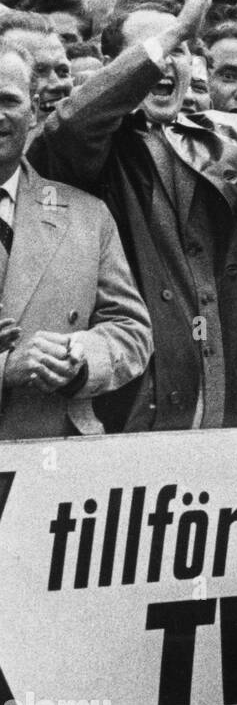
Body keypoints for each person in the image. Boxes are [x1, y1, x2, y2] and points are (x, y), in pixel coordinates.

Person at [30, 0, 237, 431]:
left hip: (230, 409)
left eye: (184, 49)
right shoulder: (89, 145)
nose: (169, 61)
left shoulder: (231, 139)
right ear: (117, 69)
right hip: (122, 419)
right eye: (154, 50)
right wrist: (168, 38)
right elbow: (67, 129)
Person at [0, 45, 152, 439]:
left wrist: (80, 360)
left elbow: (131, 330)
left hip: (53, 456)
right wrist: (4, 368)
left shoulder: (86, 216)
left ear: (33, 111)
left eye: (8, 100)